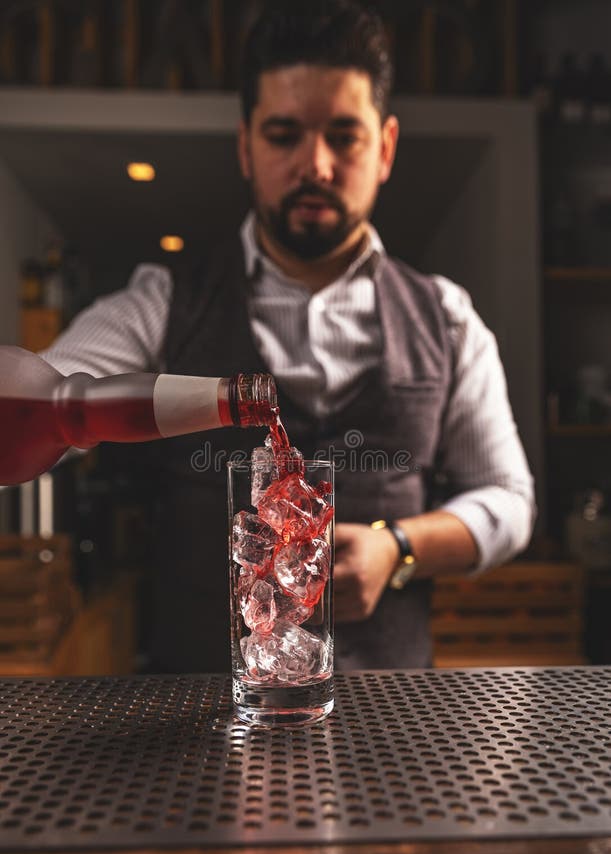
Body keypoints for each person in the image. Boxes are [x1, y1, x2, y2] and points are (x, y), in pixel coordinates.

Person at [41, 0, 535, 672]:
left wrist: (399, 547)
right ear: (245, 147)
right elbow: (43, 406)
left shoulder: (445, 317)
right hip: (193, 725)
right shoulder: (160, 303)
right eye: (284, 135)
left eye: (343, 135)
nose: (316, 166)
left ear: (384, 147)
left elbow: (508, 498)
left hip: (391, 725)